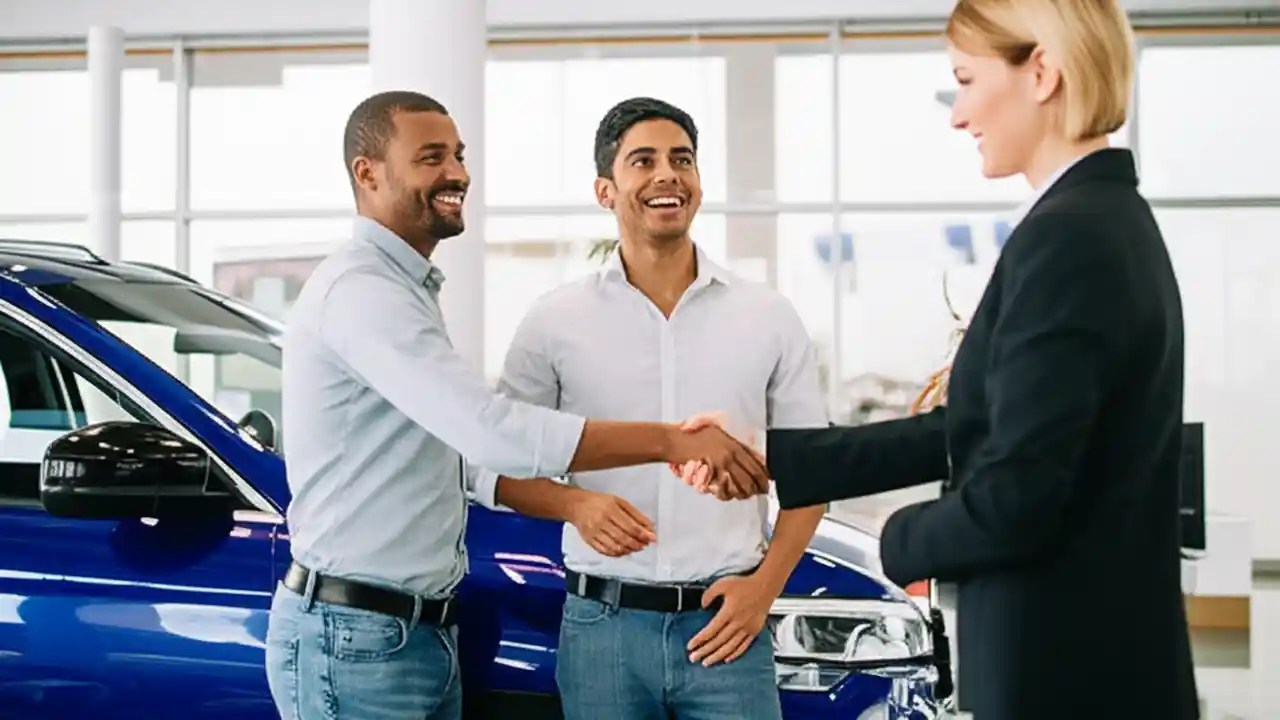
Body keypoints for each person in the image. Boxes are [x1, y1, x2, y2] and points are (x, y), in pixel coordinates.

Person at [746, 2, 1199, 719]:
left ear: (1042, 72)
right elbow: (972, 428)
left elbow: (1015, 501)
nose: (959, 115)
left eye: (965, 79)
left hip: (1064, 678)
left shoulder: (1069, 241)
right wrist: (770, 457)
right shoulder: (1101, 221)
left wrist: (885, 545)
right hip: (1095, 667)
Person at [264, 90, 770, 720]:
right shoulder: (363, 293)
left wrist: (577, 497)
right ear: (367, 174)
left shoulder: (403, 289)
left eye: (458, 154)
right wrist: (672, 441)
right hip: (358, 638)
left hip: (413, 634)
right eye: (431, 157)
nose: (457, 173)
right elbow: (491, 434)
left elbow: (458, 458)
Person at [481, 97, 828, 720]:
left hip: (727, 628)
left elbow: (815, 475)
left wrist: (762, 591)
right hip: (602, 632)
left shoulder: (767, 316)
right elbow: (493, 468)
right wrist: (575, 504)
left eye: (683, 160)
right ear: (605, 190)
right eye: (644, 161)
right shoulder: (554, 321)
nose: (668, 174)